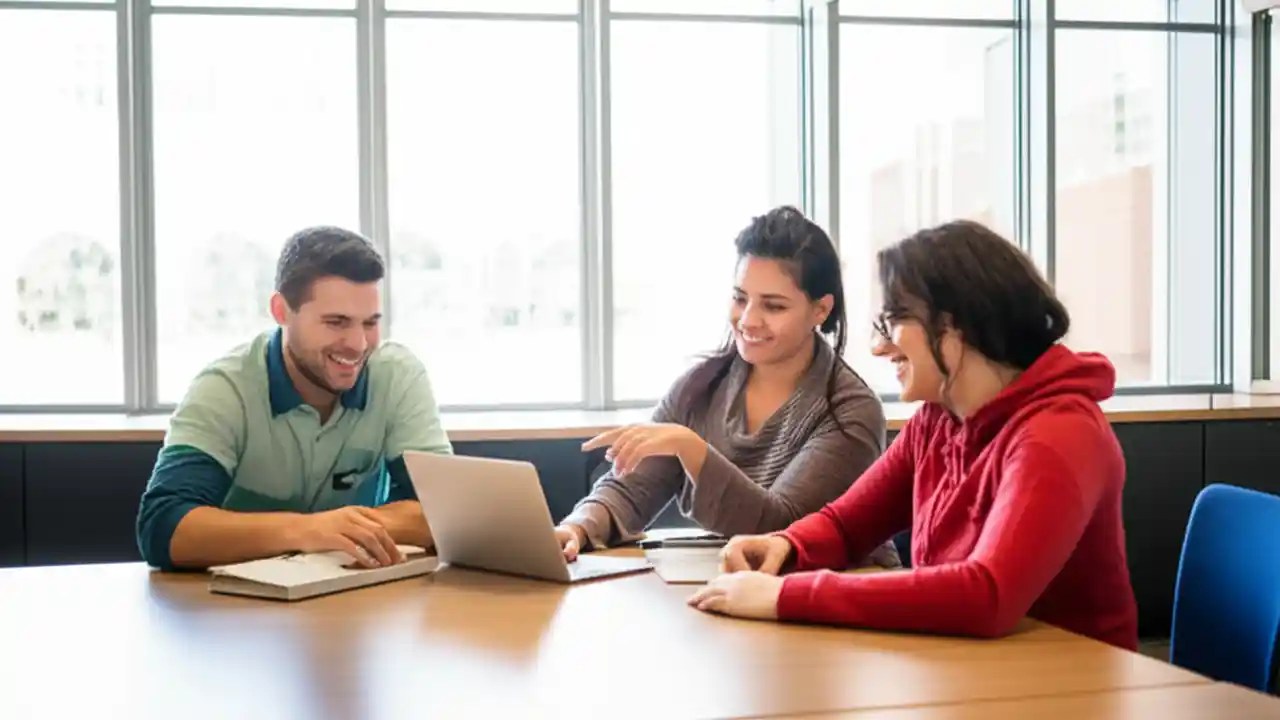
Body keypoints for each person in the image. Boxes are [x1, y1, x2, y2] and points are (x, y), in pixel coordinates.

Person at [692, 219, 1139, 651]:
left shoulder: (1058, 433)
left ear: (954, 327)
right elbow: (849, 525)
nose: (879, 347)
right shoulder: (938, 419)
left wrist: (783, 597)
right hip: (972, 671)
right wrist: (786, 546)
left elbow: (987, 596)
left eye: (893, 323)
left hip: (1069, 686)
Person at [556, 206, 897, 568]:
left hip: (835, 598)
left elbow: (779, 531)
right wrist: (577, 528)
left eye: (774, 306)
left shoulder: (850, 411)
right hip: (741, 589)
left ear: (820, 310)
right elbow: (631, 489)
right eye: (740, 298)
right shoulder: (701, 386)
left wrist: (692, 450)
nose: (749, 319)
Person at [135, 226, 452, 571]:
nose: (359, 344)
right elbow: (163, 527)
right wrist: (308, 530)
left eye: (370, 323)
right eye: (336, 322)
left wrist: (341, 529)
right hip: (234, 606)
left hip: (353, 600)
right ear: (281, 311)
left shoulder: (398, 376)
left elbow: (444, 511)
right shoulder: (224, 387)